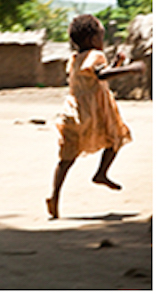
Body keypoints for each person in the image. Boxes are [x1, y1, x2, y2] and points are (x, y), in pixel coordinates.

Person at [46, 14, 145, 219]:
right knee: (116, 137)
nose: (102, 41)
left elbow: (98, 76)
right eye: (101, 36)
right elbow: (101, 76)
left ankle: (54, 196)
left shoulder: (74, 59)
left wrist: (116, 63)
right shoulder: (95, 55)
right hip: (96, 112)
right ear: (92, 39)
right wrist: (130, 69)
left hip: (75, 112)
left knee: (66, 157)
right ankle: (101, 173)